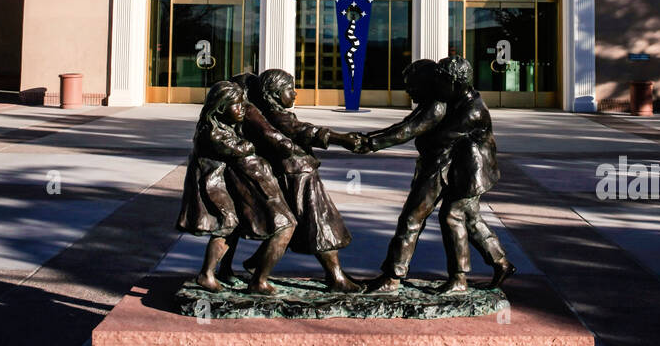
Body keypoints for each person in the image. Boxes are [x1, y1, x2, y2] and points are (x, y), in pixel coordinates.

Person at [355, 57, 515, 293]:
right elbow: (412, 127)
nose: (409, 91)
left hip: (466, 172)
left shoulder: (469, 110)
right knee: (470, 219)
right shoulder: (451, 99)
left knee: (436, 217)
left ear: (454, 82)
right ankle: (500, 263)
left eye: (441, 82)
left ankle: (434, 278)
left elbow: (424, 135)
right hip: (455, 167)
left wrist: (371, 142)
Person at [226, 69, 363, 293]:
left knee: (296, 224)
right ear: (274, 93)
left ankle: (258, 264)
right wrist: (340, 138)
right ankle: (335, 277)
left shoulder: (270, 112)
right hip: (298, 175)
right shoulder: (276, 115)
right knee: (320, 222)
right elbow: (303, 131)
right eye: (290, 89)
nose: (295, 93)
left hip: (294, 173)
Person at [177, 80, 295, 294]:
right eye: (237, 105)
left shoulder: (225, 126)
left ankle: (223, 270)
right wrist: (256, 142)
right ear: (221, 108)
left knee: (234, 225)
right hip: (213, 187)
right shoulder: (212, 132)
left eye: (243, 103)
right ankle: (206, 274)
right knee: (227, 224)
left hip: (223, 183)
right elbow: (239, 148)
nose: (242, 109)